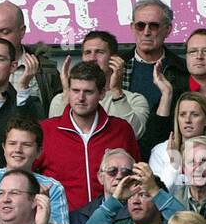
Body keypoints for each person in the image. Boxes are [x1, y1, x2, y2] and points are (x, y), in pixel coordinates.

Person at [35, 60, 141, 214]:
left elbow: (136, 177)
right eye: (75, 90)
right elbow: (28, 177)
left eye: (88, 91)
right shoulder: (46, 130)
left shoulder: (121, 129)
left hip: (114, 221)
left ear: (102, 93)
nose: (81, 98)